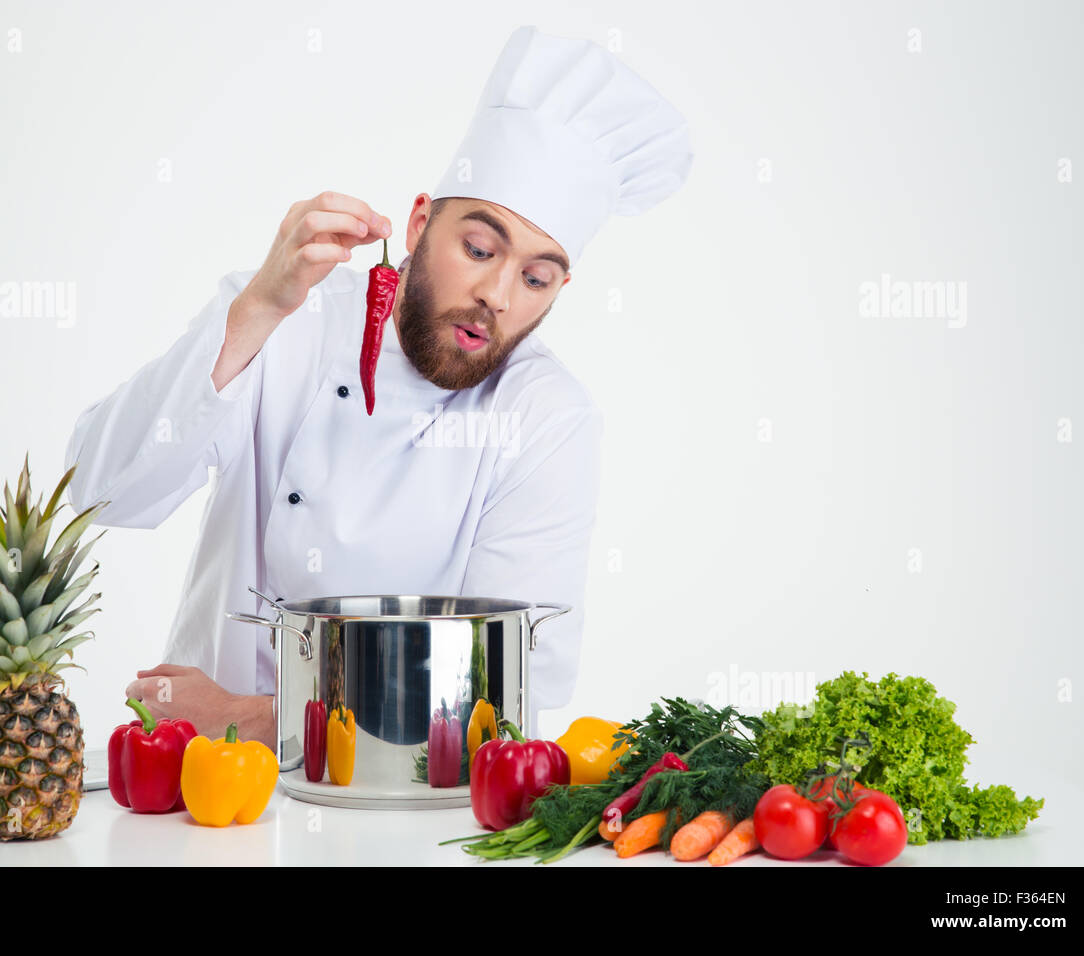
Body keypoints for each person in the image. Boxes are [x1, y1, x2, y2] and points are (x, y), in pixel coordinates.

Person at [64, 25, 693, 743]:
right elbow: (98, 488)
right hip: (205, 810)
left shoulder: (547, 416)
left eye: (535, 277)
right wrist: (257, 309)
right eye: (479, 248)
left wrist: (244, 718)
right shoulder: (285, 320)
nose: (497, 293)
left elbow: (511, 689)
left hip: (405, 815)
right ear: (421, 222)